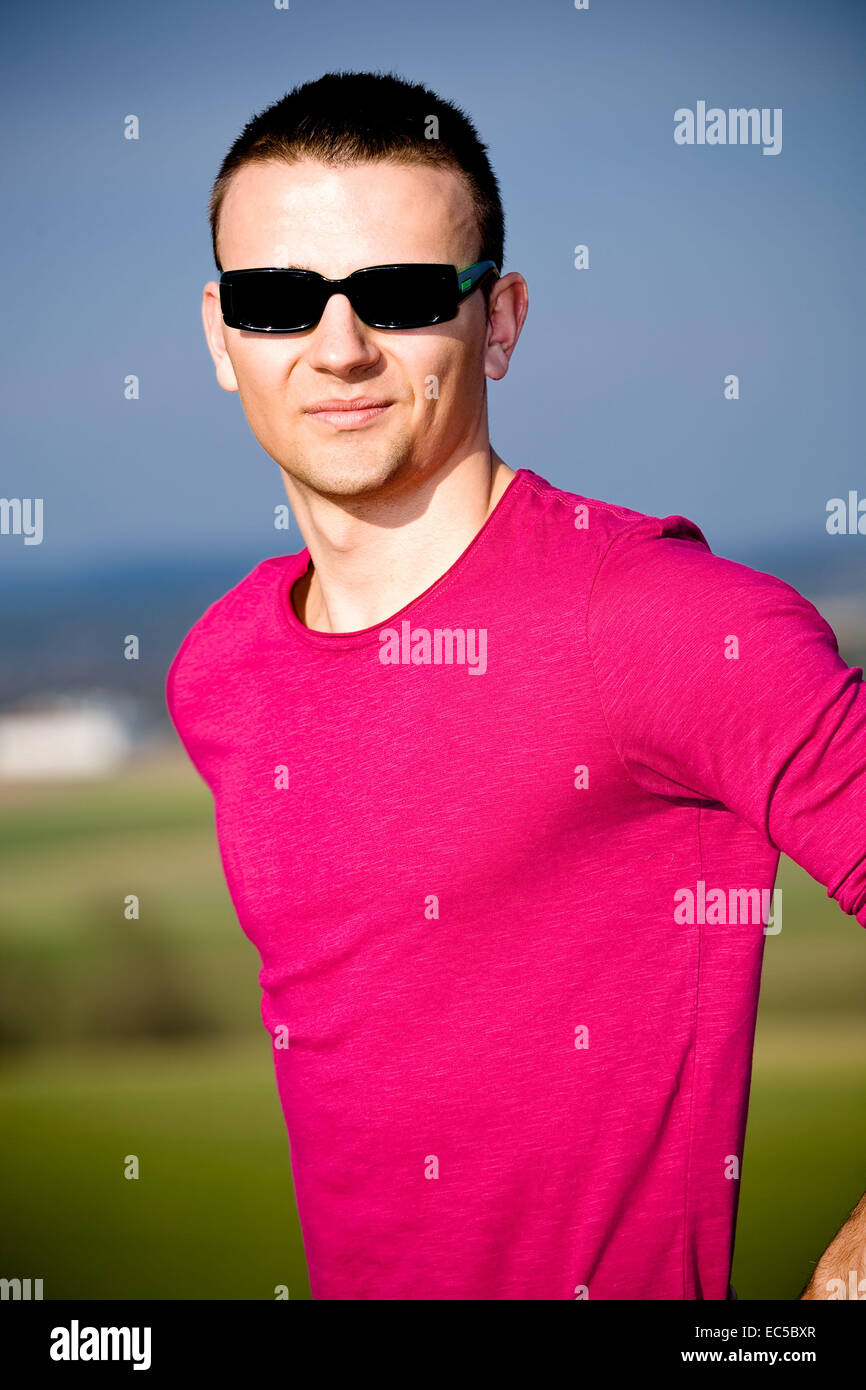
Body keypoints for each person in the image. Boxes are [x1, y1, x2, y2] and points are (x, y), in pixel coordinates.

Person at [166, 69, 866, 1300]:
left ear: (498, 320)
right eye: (281, 301)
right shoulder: (219, 668)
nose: (338, 348)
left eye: (397, 294)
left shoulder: (655, 619)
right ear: (222, 336)